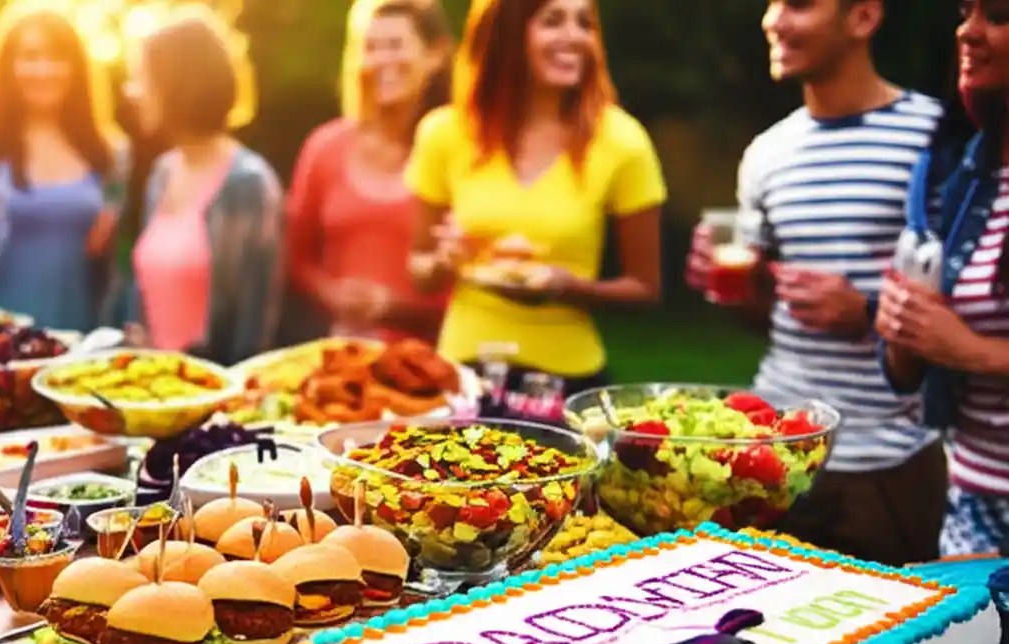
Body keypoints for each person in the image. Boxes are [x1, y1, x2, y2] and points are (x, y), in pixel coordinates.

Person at [688, 0, 947, 565]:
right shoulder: (767, 152)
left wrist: (866, 308)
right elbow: (763, 314)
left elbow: (974, 300)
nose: (773, 20)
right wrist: (732, 286)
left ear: (864, 19)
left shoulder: (935, 137)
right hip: (777, 449)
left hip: (883, 459)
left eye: (799, 5)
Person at [406, 0, 665, 404]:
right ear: (507, 33)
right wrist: (443, 259)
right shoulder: (444, 133)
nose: (574, 37)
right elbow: (419, 269)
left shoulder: (622, 141)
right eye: (552, 21)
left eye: (584, 23)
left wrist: (566, 286)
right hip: (462, 377)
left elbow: (645, 289)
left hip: (567, 382)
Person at [879, 0, 1009, 556]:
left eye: (997, 15)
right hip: (974, 496)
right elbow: (907, 371)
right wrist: (905, 329)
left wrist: (971, 350)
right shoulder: (971, 173)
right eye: (965, 12)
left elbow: (965, 346)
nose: (967, 31)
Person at [0, 7, 116, 332]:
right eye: (30, 56)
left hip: (81, 345)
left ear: (76, 68)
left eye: (57, 57)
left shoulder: (109, 156)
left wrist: (116, 240)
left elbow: (128, 267)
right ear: (7, 66)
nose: (43, 70)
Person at [286, 0, 453, 343]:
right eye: (371, 47)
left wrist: (393, 308)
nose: (381, 60)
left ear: (435, 55)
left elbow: (473, 282)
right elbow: (294, 258)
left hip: (432, 366)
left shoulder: (456, 152)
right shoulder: (325, 146)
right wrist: (330, 294)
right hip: (343, 360)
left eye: (395, 45)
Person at [127, 6, 284, 365]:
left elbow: (254, 326)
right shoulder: (162, 172)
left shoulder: (249, 183)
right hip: (153, 393)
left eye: (142, 78)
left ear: (177, 84)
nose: (132, 91)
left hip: (214, 403)